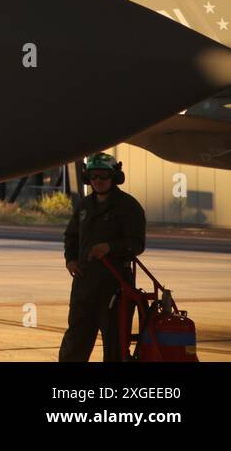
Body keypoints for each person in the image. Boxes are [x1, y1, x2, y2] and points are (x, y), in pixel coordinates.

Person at [58, 152, 146, 361]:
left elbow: (137, 244)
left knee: (115, 342)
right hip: (84, 283)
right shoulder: (84, 206)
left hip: (115, 285)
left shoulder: (128, 206)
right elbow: (71, 236)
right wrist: (70, 260)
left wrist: (109, 247)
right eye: (93, 176)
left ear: (114, 177)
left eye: (103, 176)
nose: (97, 181)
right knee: (76, 339)